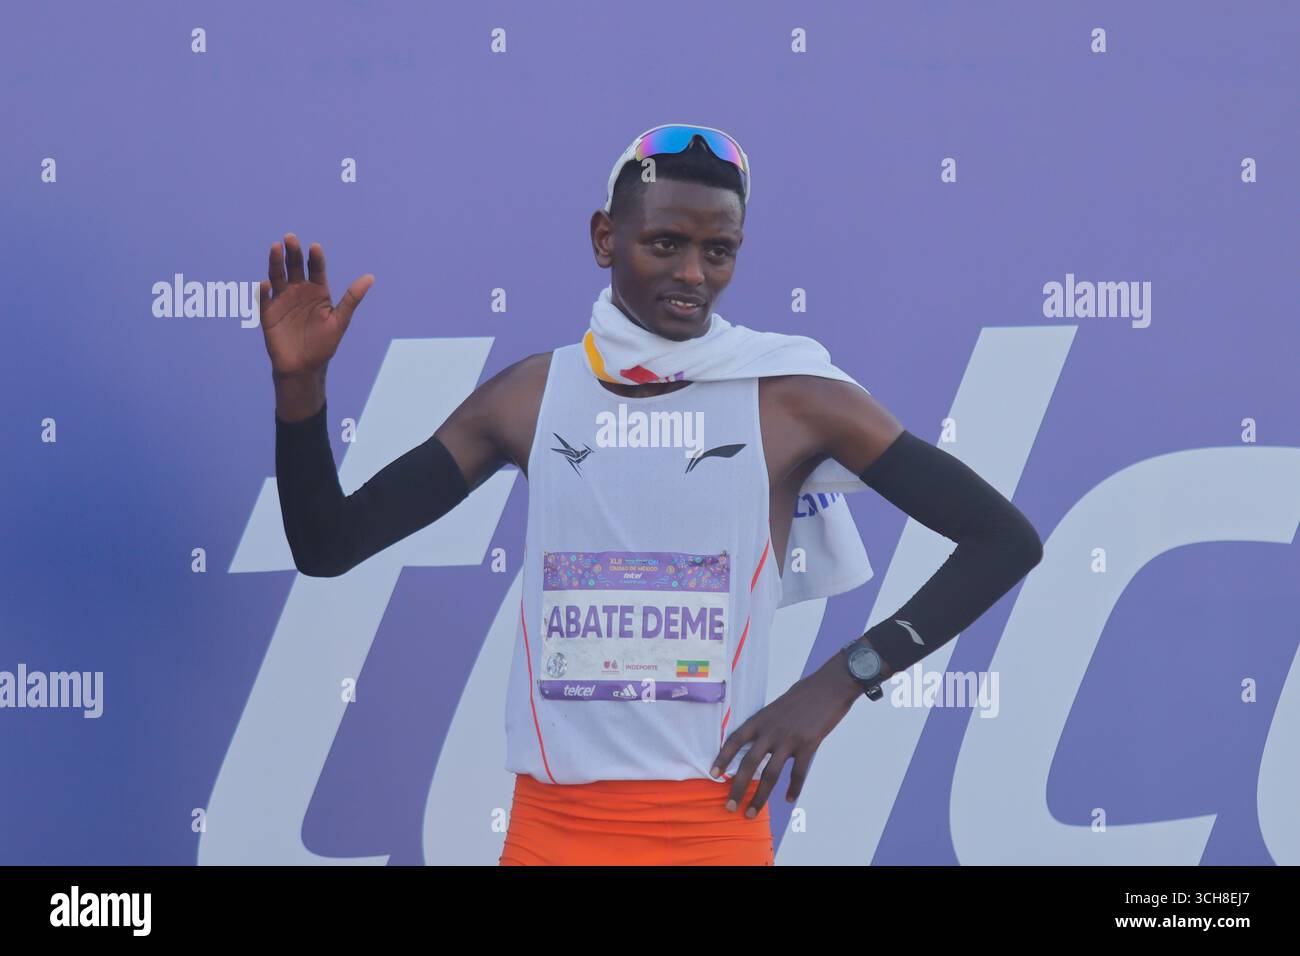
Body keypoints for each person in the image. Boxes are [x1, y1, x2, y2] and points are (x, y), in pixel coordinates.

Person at [264, 123, 1044, 866]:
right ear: (605, 237)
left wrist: (842, 680)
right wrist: (300, 392)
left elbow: (1003, 539)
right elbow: (329, 547)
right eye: (665, 243)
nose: (693, 274)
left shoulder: (792, 396)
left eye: (720, 250)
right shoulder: (529, 398)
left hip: (711, 834)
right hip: (549, 834)